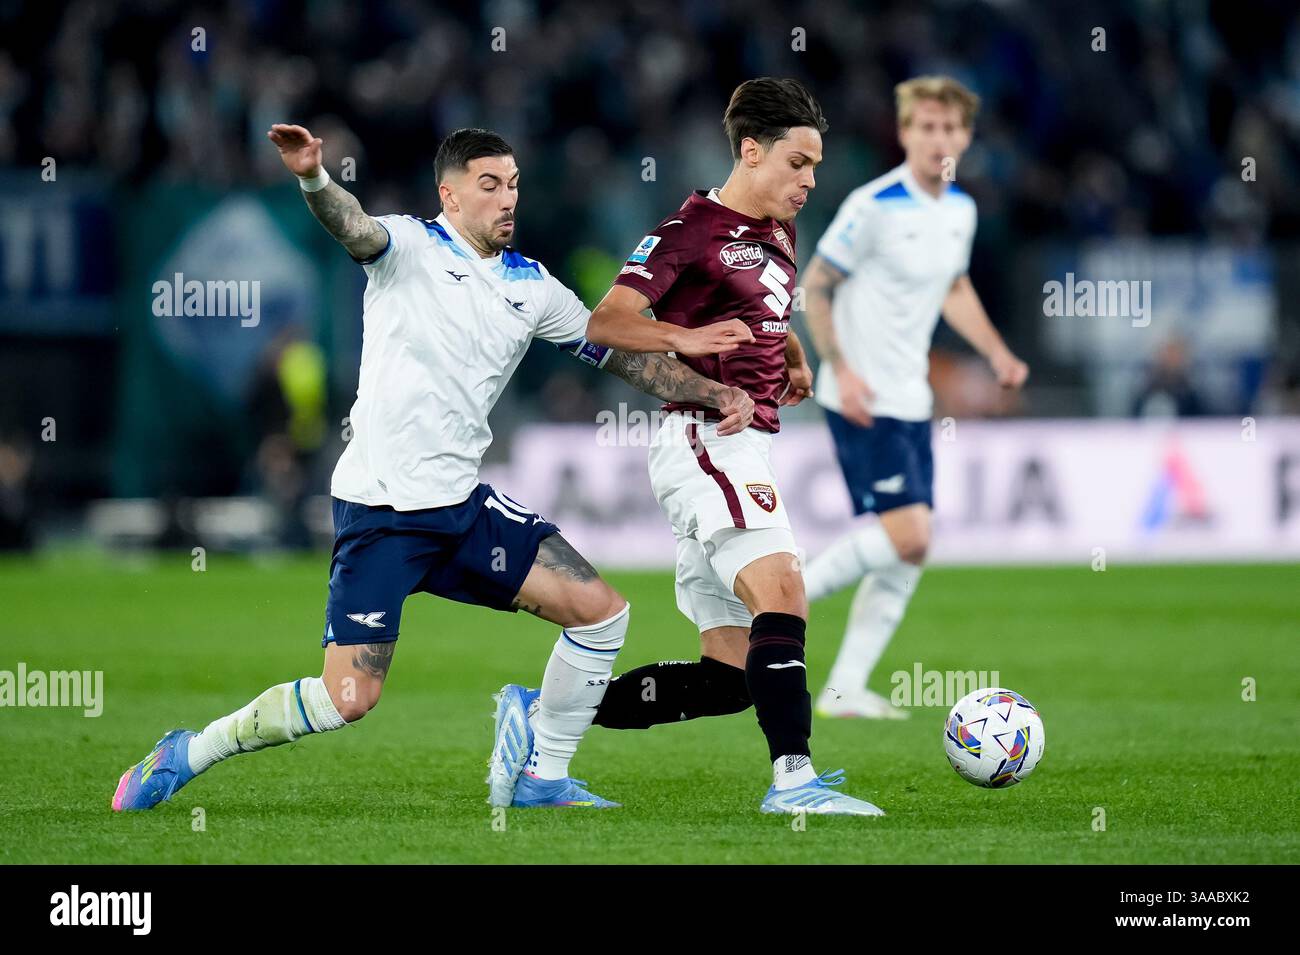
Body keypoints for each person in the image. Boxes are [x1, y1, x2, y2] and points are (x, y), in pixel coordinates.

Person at [112, 123, 754, 813]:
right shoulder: (409, 247)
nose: (508, 199)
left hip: (461, 511)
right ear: (448, 194)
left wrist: (713, 390)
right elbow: (352, 226)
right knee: (347, 698)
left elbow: (620, 353)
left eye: (513, 185)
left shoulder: (532, 287)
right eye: (489, 186)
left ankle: (542, 775)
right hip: (381, 514)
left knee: (600, 615)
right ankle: (190, 750)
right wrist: (312, 178)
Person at [495, 78, 885, 816]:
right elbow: (606, 322)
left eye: (815, 166)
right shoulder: (691, 232)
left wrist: (791, 353)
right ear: (750, 151)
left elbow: (762, 303)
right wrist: (683, 336)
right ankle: (794, 781)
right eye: (798, 163)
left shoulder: (775, 226)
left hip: (738, 444)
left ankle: (543, 725)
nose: (810, 181)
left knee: (730, 676)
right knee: (785, 593)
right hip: (708, 440)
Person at [800, 76, 1029, 718]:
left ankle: (845, 687)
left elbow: (953, 288)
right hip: (860, 394)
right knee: (910, 532)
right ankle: (784, 599)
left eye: (951, 128)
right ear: (904, 134)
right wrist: (840, 368)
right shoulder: (872, 206)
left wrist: (996, 352)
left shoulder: (960, 211)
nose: (939, 139)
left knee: (914, 546)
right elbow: (814, 288)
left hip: (911, 399)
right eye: (926, 127)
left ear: (967, 136)